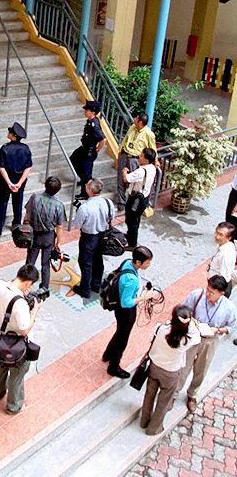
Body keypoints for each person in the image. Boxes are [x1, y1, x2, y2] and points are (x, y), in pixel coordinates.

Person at [177, 275, 237, 412]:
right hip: (192, 336)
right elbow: (184, 310)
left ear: (221, 293)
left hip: (210, 340)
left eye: (212, 292)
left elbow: (231, 327)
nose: (208, 294)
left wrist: (219, 330)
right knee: (183, 366)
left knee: (201, 369)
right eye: (208, 290)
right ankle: (174, 392)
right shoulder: (197, 295)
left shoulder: (229, 308)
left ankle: (192, 394)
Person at [140, 305, 200, 436]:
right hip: (171, 373)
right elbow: (197, 336)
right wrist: (191, 323)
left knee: (149, 395)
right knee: (163, 401)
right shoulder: (186, 340)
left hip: (154, 367)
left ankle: (144, 421)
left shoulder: (160, 329)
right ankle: (153, 428)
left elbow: (151, 339)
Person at [0, 263, 40, 414]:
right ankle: (14, 406)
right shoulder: (20, 304)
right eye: (30, 284)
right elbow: (24, 329)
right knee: (17, 375)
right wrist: (35, 310)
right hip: (17, 344)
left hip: (2, 337)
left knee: (1, 365)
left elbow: (8, 290)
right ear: (27, 282)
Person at [102, 246, 155, 378]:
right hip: (125, 312)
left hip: (118, 308)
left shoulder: (127, 262)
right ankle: (113, 367)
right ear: (138, 262)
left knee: (119, 332)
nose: (149, 265)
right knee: (122, 339)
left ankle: (108, 354)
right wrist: (145, 297)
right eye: (147, 262)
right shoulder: (131, 280)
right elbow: (126, 302)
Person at [70, 178, 114, 299]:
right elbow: (112, 216)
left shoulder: (85, 207)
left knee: (86, 263)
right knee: (98, 260)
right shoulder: (108, 202)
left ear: (89, 190)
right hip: (103, 236)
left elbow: (77, 224)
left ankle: (85, 289)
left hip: (88, 238)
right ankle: (96, 284)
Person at [0, 122, 33, 237]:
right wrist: (19, 183)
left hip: (4, 183)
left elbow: (1, 168)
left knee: (1, 203)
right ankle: (16, 225)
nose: (8, 133)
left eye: (10, 132)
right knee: (18, 203)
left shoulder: (5, 148)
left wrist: (9, 183)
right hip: (20, 183)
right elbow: (28, 168)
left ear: (13, 136)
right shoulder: (26, 149)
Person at [25, 176, 66, 290]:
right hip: (49, 237)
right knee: (45, 264)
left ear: (45, 185)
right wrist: (58, 243)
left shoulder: (34, 198)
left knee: (30, 261)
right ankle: (44, 287)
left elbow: (27, 214)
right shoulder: (59, 206)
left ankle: (26, 283)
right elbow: (60, 227)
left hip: (34, 235)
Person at [117, 114, 156, 210]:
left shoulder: (148, 134)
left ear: (141, 122)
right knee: (121, 178)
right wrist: (120, 151)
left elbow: (153, 148)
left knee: (133, 180)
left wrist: (155, 161)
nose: (134, 119)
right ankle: (121, 202)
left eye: (136, 119)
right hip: (125, 154)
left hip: (135, 159)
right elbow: (125, 138)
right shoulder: (132, 127)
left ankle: (133, 202)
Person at [70, 100, 106, 200]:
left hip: (89, 152)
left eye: (87, 110)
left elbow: (103, 139)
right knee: (73, 159)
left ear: (93, 112)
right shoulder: (91, 121)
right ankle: (83, 180)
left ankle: (85, 193)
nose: (85, 111)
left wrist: (97, 149)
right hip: (84, 148)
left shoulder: (94, 125)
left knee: (87, 173)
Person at [122, 147, 157, 249]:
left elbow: (127, 179)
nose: (139, 157)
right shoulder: (152, 168)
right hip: (144, 198)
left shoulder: (141, 171)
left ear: (146, 160)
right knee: (135, 219)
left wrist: (125, 171)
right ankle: (130, 236)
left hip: (135, 199)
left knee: (131, 219)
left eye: (141, 155)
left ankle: (132, 244)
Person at [207, 222, 236, 297]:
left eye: (221, 235)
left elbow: (223, 277)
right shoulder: (226, 245)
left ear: (229, 238)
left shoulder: (225, 255)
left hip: (217, 288)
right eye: (216, 232)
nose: (217, 236)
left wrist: (213, 292)